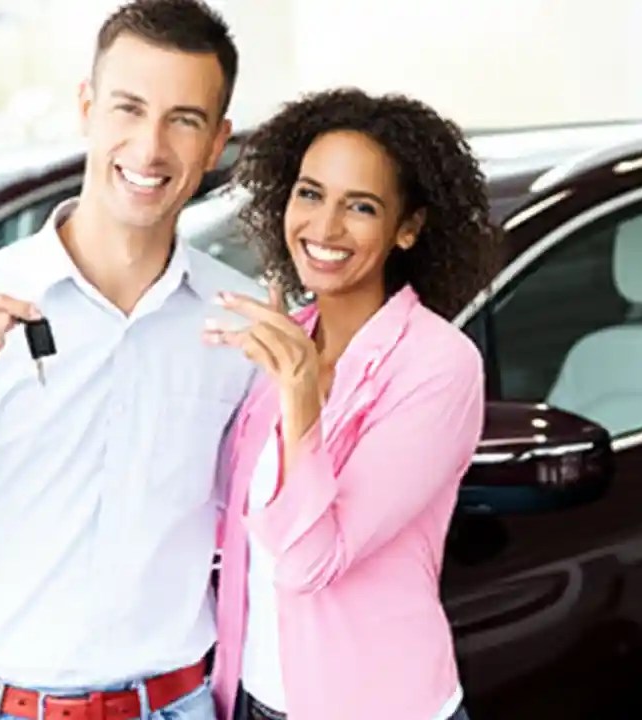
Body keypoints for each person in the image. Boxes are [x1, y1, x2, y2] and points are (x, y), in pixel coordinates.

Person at [0, 2, 261, 719]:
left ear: (216, 142)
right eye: (128, 108)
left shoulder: (244, 324)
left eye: (183, 119)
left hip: (172, 706)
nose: (150, 147)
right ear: (87, 108)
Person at [202, 88, 500, 719]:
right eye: (310, 193)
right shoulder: (287, 338)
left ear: (408, 227)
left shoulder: (439, 365)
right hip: (252, 698)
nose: (326, 227)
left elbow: (310, 560)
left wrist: (302, 398)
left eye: (360, 206)